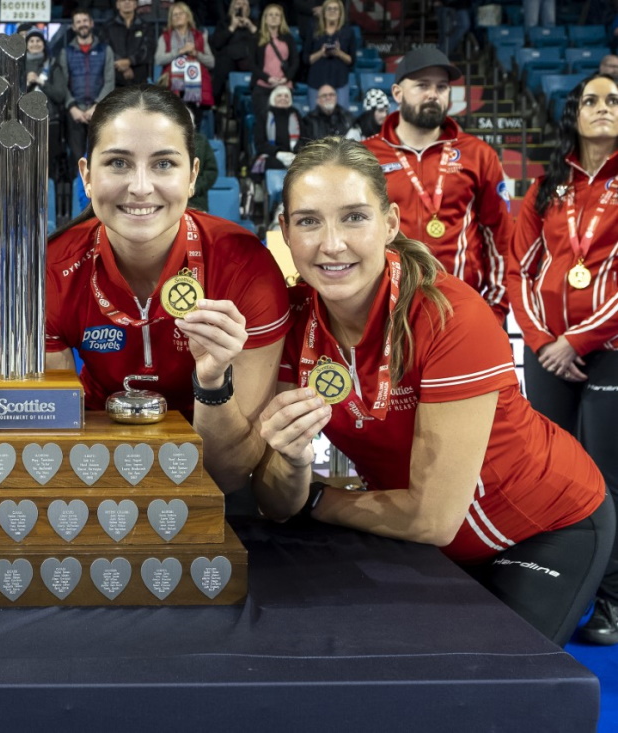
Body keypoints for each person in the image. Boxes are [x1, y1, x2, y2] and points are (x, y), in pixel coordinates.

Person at [254, 136, 612, 646]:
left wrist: (316, 498)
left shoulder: (449, 316)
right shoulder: (290, 321)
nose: (331, 244)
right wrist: (292, 464)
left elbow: (433, 518)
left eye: (354, 217)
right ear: (285, 231)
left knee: (492, 679)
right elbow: (276, 502)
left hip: (544, 524)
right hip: (415, 533)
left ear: (390, 223)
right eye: (309, 221)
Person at [46, 85, 291, 497]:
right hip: (96, 466)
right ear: (86, 176)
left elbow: (231, 475)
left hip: (211, 478)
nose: (141, 187)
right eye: (118, 163)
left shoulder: (245, 267)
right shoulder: (55, 267)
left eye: (163, 164)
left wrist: (212, 383)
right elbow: (54, 438)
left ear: (192, 176)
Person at [508, 73, 618, 645]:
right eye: (590, 100)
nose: (602, 108)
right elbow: (519, 267)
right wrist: (541, 337)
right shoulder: (548, 187)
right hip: (548, 350)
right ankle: (556, 586)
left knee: (609, 475)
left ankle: (613, 600)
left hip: (608, 351)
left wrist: (577, 341)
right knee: (552, 472)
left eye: (613, 100)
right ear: (573, 114)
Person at [363, 47, 512, 322]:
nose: (433, 94)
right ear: (397, 93)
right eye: (422, 85)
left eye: (441, 87)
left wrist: (495, 309)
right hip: (388, 309)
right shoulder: (366, 155)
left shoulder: (478, 154)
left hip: (462, 308)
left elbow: (500, 236)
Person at [60, 9, 115, 170]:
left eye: (85, 21)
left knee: (101, 158)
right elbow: (62, 83)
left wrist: (97, 106)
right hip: (75, 113)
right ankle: (80, 188)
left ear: (91, 23)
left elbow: (109, 81)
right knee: (78, 161)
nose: (82, 24)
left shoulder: (105, 50)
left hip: (99, 111)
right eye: (78, 22)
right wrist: (72, 107)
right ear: (73, 27)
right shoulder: (66, 52)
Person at [155, 2, 215, 129]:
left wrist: (196, 53)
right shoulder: (165, 37)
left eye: (180, 13)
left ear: (188, 16)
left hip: (195, 83)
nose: (177, 17)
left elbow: (211, 62)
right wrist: (180, 51)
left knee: (193, 120)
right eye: (174, 15)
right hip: (173, 84)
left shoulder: (199, 36)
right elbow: (159, 59)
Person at [24, 28, 68, 181]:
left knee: (47, 169)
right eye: (31, 41)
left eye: (38, 40)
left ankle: (48, 196)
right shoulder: (17, 66)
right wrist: (26, 84)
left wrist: (41, 82)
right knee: (26, 168)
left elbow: (60, 95)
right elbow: (11, 98)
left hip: (50, 123)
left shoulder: (53, 65)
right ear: (26, 45)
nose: (35, 44)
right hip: (24, 124)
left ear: (44, 44)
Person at [250, 4, 298, 119]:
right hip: (263, 86)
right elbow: (252, 64)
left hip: (284, 85)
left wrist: (286, 78)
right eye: (270, 15)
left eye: (277, 15)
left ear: (281, 19)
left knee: (283, 120)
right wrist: (268, 78)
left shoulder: (288, 38)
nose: (274, 17)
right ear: (265, 19)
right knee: (264, 119)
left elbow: (295, 62)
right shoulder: (257, 38)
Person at [304, 0, 354, 110]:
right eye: (329, 9)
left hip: (339, 80)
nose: (332, 11)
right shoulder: (313, 30)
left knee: (341, 116)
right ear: (324, 12)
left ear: (340, 13)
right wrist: (320, 53)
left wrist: (339, 53)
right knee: (315, 116)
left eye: (335, 9)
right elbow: (306, 59)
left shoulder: (348, 32)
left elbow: (352, 60)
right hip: (316, 80)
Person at [210, 0, 257, 111]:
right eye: (238, 3)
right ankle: (215, 101)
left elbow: (264, 44)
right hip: (229, 61)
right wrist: (231, 27)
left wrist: (251, 27)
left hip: (249, 59)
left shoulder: (254, 23)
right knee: (224, 60)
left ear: (248, 9)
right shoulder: (224, 23)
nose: (241, 6)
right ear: (232, 7)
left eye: (244, 4)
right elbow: (217, 44)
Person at [101, 0, 154, 89]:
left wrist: (130, 61)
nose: (127, 2)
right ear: (117, 5)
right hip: (115, 81)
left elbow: (148, 49)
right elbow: (105, 48)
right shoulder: (108, 26)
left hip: (139, 79)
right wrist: (123, 67)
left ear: (135, 4)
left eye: (130, 0)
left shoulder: (145, 26)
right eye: (123, 0)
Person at [254, 85, 302, 172]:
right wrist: (277, 153)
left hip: (294, 155)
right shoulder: (264, 115)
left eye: (286, 96)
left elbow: (304, 138)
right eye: (279, 95)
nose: (283, 98)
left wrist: (295, 154)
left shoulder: (296, 115)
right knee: (275, 164)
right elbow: (260, 143)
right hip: (272, 155)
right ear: (273, 98)